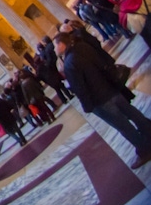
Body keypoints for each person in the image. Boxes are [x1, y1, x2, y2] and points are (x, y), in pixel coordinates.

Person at [55, 33, 151, 169]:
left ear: (61, 44)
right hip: (110, 89)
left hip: (100, 100)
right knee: (132, 113)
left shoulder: (70, 63)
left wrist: (88, 107)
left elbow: (80, 89)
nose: (54, 50)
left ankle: (144, 149)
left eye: (55, 46)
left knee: (123, 125)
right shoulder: (82, 46)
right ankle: (148, 131)